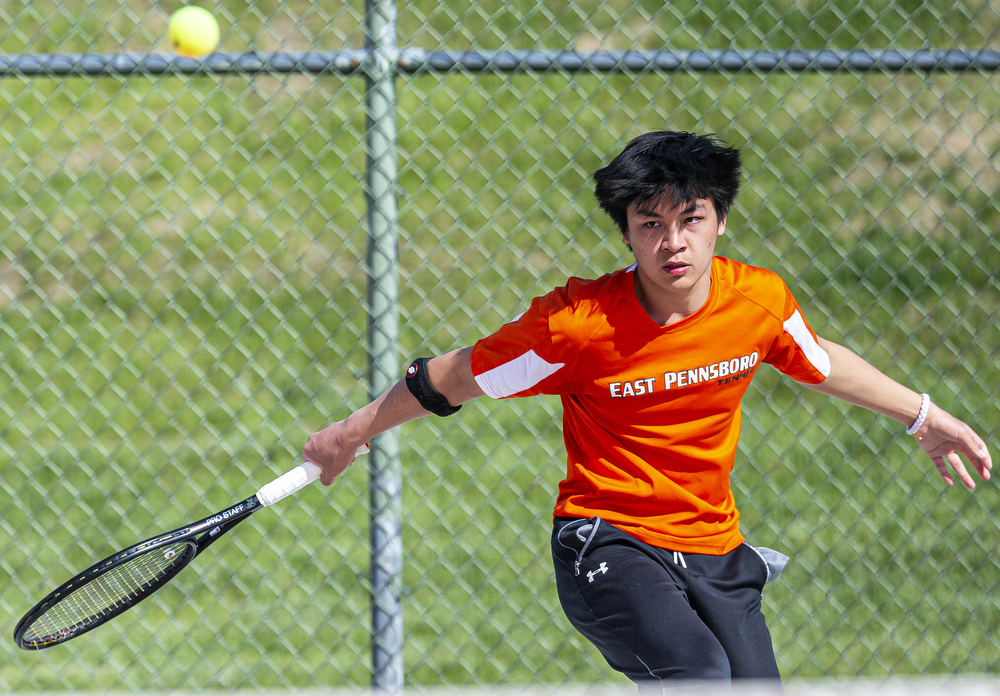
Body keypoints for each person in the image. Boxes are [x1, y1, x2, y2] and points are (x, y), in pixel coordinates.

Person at [303, 131, 992, 688]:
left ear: (719, 221)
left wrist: (923, 415)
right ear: (627, 236)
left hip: (715, 548)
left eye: (691, 219)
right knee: (697, 677)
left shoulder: (758, 303)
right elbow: (450, 378)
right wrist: (349, 432)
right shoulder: (576, 328)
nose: (673, 242)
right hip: (608, 540)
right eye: (650, 223)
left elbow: (819, 362)